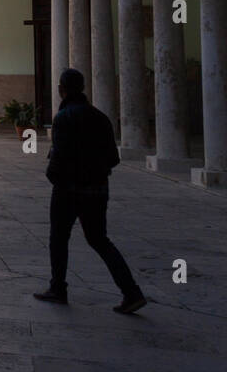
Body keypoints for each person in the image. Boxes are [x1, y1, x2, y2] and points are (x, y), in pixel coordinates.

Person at [35, 68, 146, 314]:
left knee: (59, 238)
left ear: (61, 89)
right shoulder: (100, 117)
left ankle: (58, 288)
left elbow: (59, 159)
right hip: (97, 189)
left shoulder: (64, 118)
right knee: (99, 240)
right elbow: (113, 159)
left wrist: (55, 176)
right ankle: (132, 292)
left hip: (68, 190)